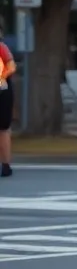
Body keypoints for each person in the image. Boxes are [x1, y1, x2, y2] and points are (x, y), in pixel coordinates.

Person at [0, 32, 15, 177]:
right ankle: (5, 165)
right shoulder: (2, 47)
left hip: (2, 90)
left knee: (3, 129)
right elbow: (11, 67)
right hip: (3, 89)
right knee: (4, 130)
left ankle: (5, 165)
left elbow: (11, 67)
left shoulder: (1, 48)